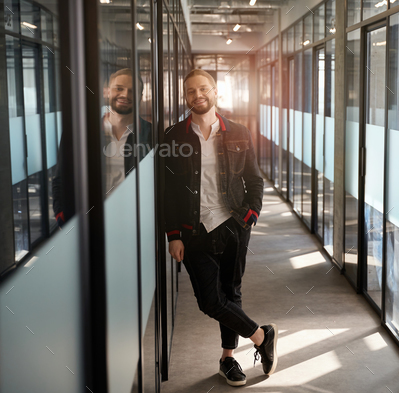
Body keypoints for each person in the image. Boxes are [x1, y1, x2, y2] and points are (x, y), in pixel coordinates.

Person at [163, 69, 277, 387]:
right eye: (190, 91)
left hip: (233, 224)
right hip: (193, 228)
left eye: (203, 88)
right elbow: (167, 191)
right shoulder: (173, 137)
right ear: (185, 97)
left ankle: (229, 359)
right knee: (210, 300)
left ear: (216, 92)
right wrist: (173, 234)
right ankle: (260, 335)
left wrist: (250, 217)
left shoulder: (239, 132)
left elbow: (253, 179)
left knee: (231, 291)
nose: (197, 95)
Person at [53, 68, 152, 226]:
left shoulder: (152, 135)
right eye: (119, 88)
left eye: (132, 91)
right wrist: (61, 216)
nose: (125, 95)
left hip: (134, 225)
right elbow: (61, 179)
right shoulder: (78, 132)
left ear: (140, 97)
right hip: (90, 226)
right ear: (107, 92)